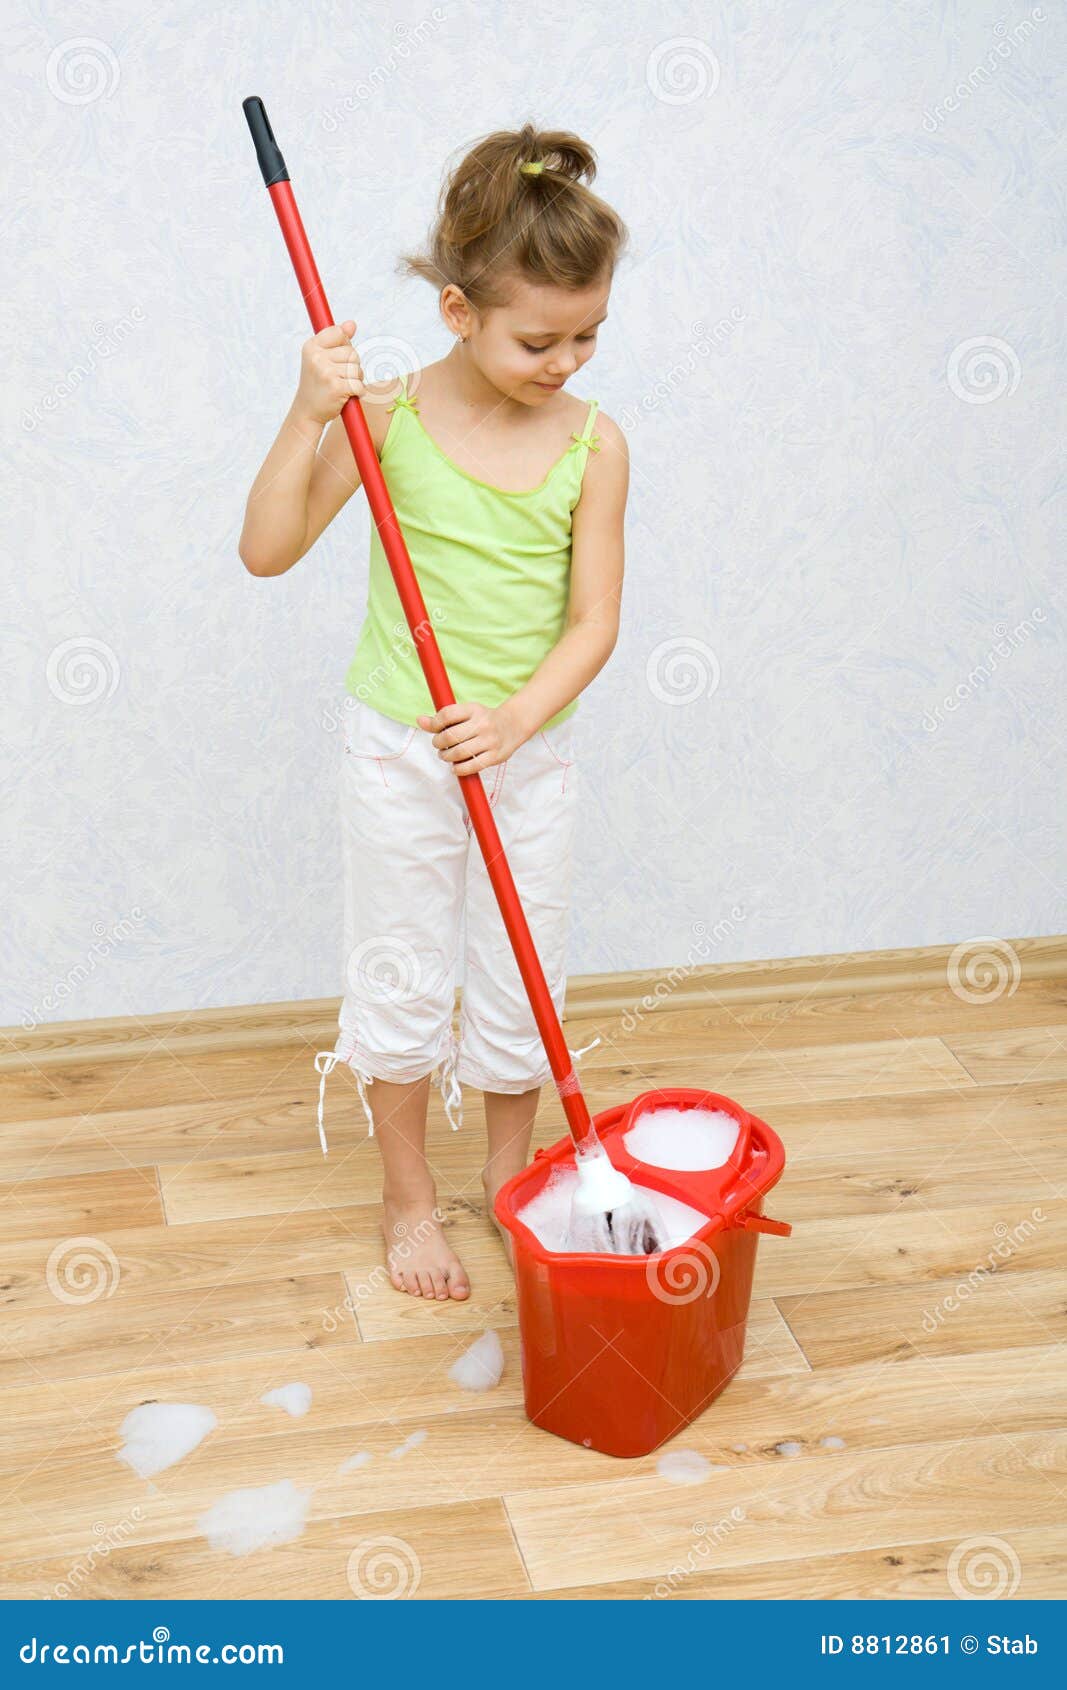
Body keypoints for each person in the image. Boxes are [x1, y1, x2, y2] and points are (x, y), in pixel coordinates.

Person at [239, 123, 630, 1301]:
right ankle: (406, 1196)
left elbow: (593, 625)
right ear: (457, 312)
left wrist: (514, 722)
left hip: (525, 748)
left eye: (587, 335)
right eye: (537, 338)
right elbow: (265, 550)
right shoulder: (387, 420)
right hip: (398, 747)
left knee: (521, 971)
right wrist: (309, 411)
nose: (565, 360)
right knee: (403, 970)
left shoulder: (595, 444)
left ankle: (511, 1183)